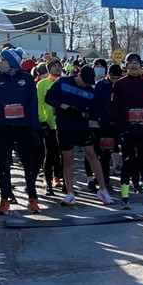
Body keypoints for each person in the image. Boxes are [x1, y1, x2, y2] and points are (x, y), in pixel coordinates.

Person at [45, 65, 114, 207]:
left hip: (81, 126)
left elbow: (96, 111)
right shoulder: (62, 82)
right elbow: (49, 98)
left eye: (89, 83)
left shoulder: (90, 90)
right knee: (67, 158)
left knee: (91, 154)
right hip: (64, 126)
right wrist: (65, 107)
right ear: (79, 76)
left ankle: (103, 189)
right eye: (85, 82)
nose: (86, 85)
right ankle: (70, 192)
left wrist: (84, 114)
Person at [0, 47, 41, 214]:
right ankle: (5, 199)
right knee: (3, 164)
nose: (0, 62)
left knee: (28, 163)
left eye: (3, 60)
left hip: (23, 126)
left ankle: (32, 198)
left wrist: (35, 128)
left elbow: (33, 104)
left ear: (12, 62)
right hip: (4, 126)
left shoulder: (26, 78)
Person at [113, 53, 143, 208]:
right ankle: (125, 197)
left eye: (136, 63)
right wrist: (120, 130)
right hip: (127, 131)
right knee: (127, 163)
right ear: (126, 66)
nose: (134, 66)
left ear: (140, 66)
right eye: (130, 63)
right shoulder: (119, 84)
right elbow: (116, 109)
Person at [88, 60, 119, 193]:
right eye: (113, 78)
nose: (115, 81)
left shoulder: (121, 85)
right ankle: (101, 180)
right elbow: (97, 104)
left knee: (110, 154)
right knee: (101, 154)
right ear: (108, 75)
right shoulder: (101, 86)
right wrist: (101, 118)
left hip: (116, 125)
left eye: (117, 78)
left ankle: (105, 180)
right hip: (102, 125)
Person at [36, 58, 65, 196]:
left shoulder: (66, 82)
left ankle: (63, 181)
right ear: (49, 69)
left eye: (59, 65)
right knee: (50, 154)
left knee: (65, 155)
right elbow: (39, 104)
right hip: (49, 124)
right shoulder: (42, 84)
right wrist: (43, 121)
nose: (58, 68)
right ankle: (48, 182)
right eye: (54, 66)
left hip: (64, 124)